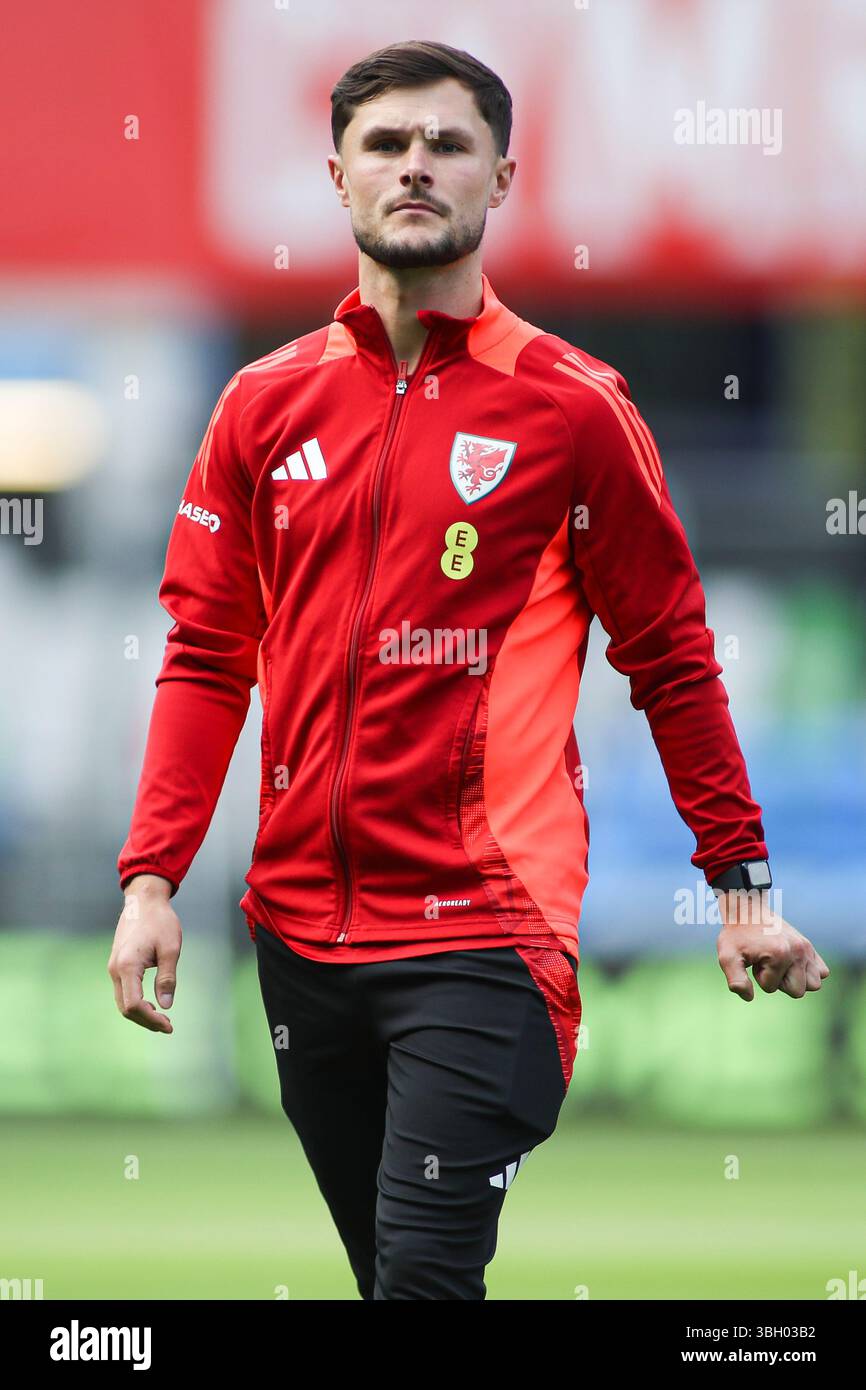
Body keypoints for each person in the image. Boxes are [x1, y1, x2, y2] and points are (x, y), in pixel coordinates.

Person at [110, 40, 829, 1300]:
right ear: (334, 177)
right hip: (301, 942)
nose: (415, 168)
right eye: (386, 145)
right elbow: (205, 654)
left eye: (447, 145)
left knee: (423, 1285)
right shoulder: (259, 409)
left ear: (504, 175)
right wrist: (152, 877)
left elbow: (668, 653)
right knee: (399, 1282)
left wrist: (739, 881)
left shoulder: (571, 409)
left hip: (484, 932)